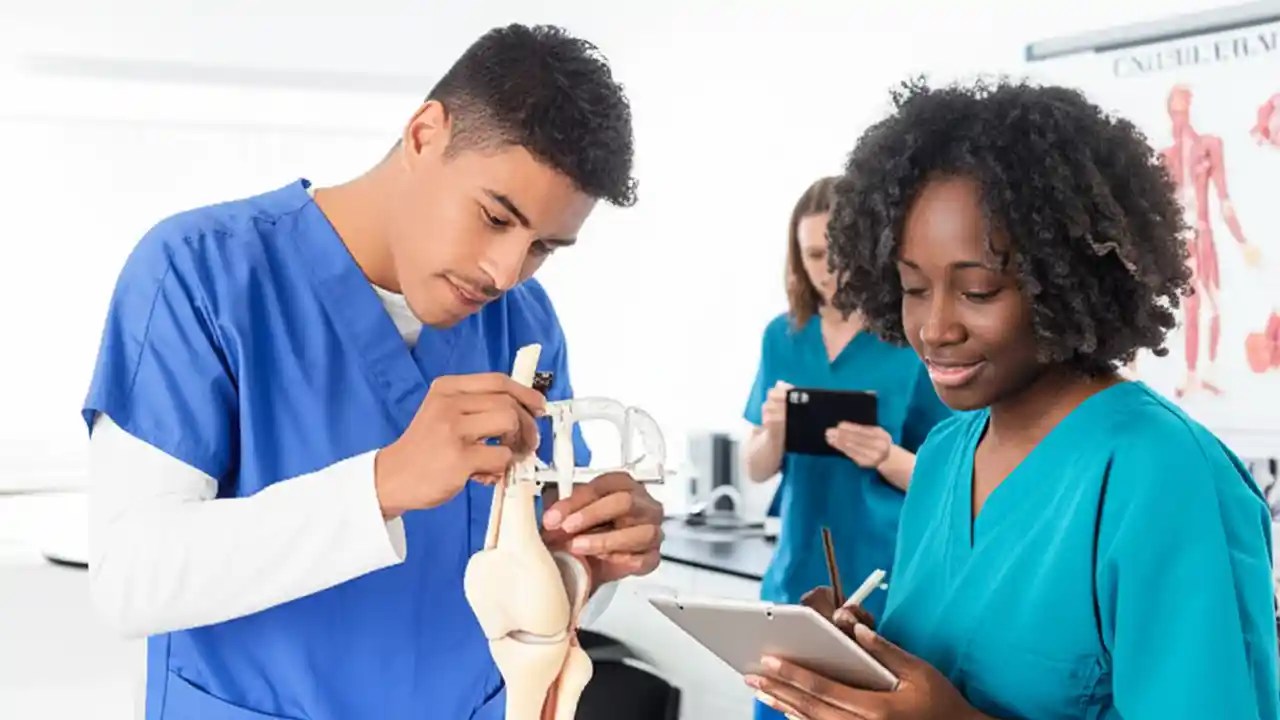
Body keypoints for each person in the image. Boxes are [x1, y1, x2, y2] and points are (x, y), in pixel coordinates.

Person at [82, 24, 664, 720]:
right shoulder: (200, 273)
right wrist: (384, 483)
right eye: (494, 217)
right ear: (424, 136)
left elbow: (525, 591)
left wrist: (588, 561)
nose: (505, 271)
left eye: (543, 247)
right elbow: (130, 580)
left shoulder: (524, 326)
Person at [745, 79, 1279, 719]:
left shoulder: (1163, 476)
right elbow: (960, 661)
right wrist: (861, 664)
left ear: (1066, 280)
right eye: (914, 289)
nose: (935, 329)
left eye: (977, 291)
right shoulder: (945, 454)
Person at [742, 176, 952, 720]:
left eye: (837, 253)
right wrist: (775, 432)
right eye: (813, 254)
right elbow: (756, 466)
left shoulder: (912, 343)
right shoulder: (781, 336)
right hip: (795, 576)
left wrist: (885, 455)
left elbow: (953, 480)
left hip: (886, 580)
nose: (827, 269)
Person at [1161, 84, 1263, 398]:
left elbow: (1224, 198)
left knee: (1213, 305)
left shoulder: (1210, 145)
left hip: (1203, 235)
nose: (1180, 116)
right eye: (1176, 111)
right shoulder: (1165, 156)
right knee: (1192, 307)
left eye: (1184, 109)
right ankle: (1192, 375)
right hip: (1183, 239)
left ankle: (1208, 372)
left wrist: (1242, 241)